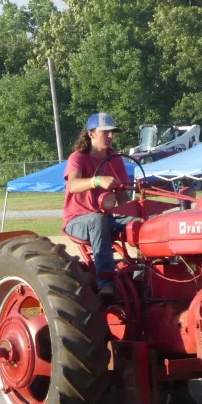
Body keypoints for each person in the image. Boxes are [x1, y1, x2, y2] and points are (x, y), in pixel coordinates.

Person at [63, 112, 138, 302]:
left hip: (106, 219)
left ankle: (146, 272)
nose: (110, 136)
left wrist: (138, 211)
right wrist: (97, 181)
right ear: (91, 133)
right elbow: (73, 185)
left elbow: (123, 197)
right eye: (105, 132)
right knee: (97, 219)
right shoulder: (78, 157)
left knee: (143, 221)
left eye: (112, 132)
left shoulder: (115, 160)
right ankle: (106, 283)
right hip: (77, 221)